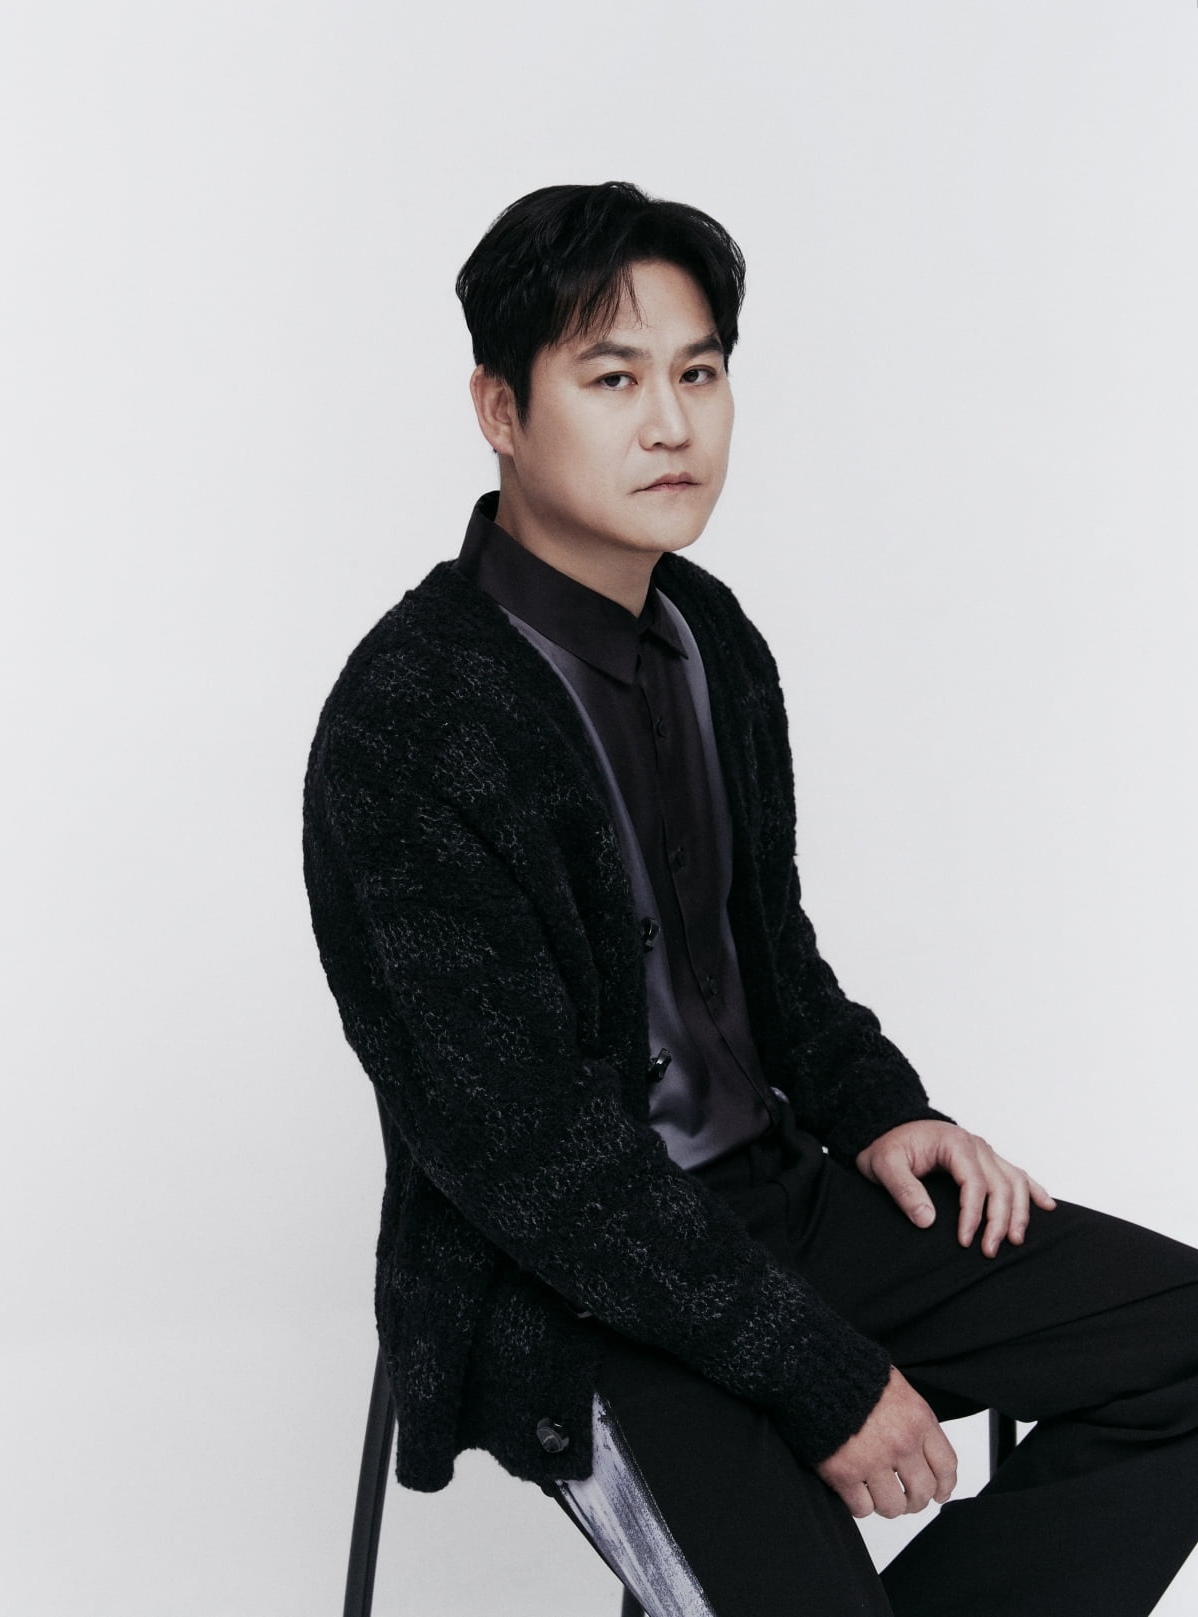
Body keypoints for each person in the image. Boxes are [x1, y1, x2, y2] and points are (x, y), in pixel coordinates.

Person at [302, 181, 1198, 1616]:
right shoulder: (413, 717)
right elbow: (524, 1153)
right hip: (576, 1286)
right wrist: (817, 1374)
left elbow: (771, 965)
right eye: (613, 379)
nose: (672, 424)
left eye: (701, 373)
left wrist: (886, 1109)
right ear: (500, 409)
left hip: (780, 1205)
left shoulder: (710, 634)